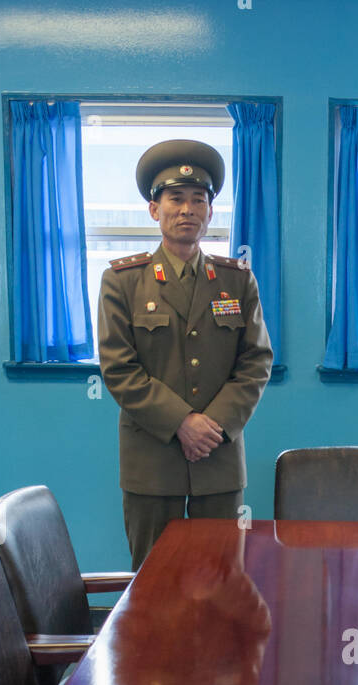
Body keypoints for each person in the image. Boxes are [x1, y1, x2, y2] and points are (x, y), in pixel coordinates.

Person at [98, 139, 273, 569]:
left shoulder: (236, 281)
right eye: (175, 199)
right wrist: (181, 423)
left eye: (199, 201)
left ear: (210, 213)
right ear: (155, 209)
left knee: (221, 576)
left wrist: (211, 427)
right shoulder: (122, 281)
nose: (187, 210)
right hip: (152, 464)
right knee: (154, 580)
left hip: (219, 458)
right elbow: (119, 368)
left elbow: (256, 362)